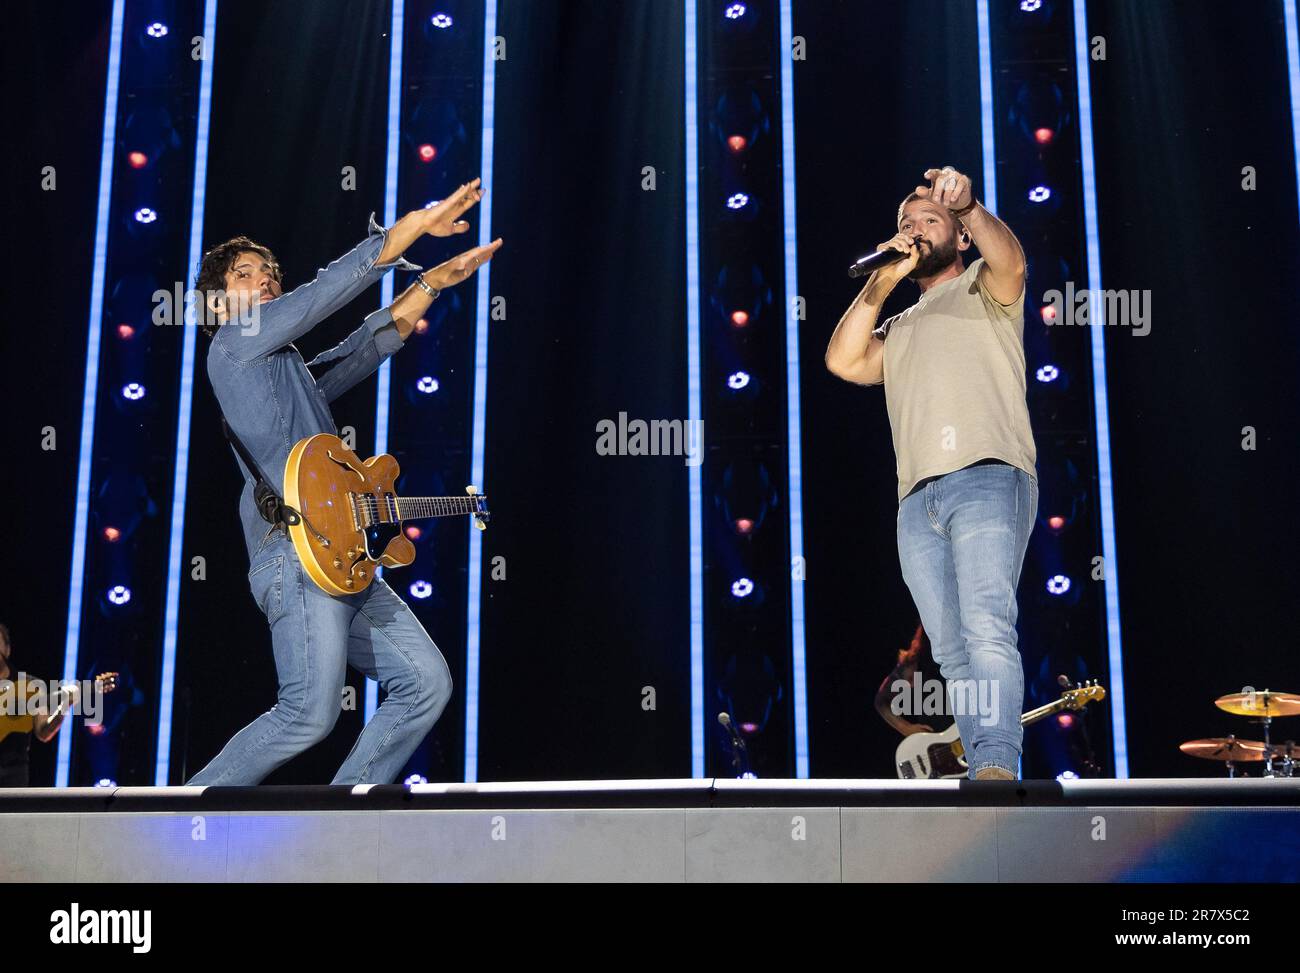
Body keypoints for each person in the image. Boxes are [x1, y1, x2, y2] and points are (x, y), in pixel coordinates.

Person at [187, 179, 501, 786]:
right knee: (308, 712)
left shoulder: (288, 372)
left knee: (426, 682)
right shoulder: (232, 346)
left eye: (270, 271)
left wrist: (432, 282)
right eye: (248, 274)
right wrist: (406, 230)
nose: (268, 280)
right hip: (294, 557)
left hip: (341, 555)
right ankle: (180, 820)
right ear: (218, 304)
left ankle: (347, 814)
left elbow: (361, 350)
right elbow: (322, 295)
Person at [825, 165, 1036, 780]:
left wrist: (968, 205)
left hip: (988, 476)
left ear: (960, 236)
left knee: (987, 624)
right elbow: (844, 360)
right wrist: (882, 279)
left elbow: (1013, 262)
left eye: (927, 221)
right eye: (904, 224)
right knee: (951, 653)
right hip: (918, 502)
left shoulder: (982, 286)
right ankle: (978, 767)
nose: (913, 230)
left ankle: (997, 764)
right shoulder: (900, 324)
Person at [0, 624, 71, 787]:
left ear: (7, 649)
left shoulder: (31, 686)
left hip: (13, 773)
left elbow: (43, 733)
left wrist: (61, 712)